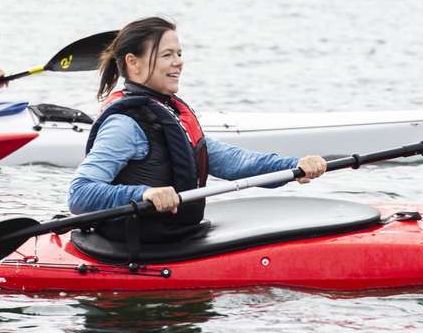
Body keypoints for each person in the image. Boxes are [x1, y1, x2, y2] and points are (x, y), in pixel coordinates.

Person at [67, 16, 327, 244]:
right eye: (167, 55)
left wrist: (294, 167)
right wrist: (143, 193)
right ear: (133, 63)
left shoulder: (169, 113)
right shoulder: (125, 124)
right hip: (138, 247)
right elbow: (79, 193)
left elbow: (231, 161)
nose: (178, 62)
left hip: (174, 236)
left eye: (179, 54)